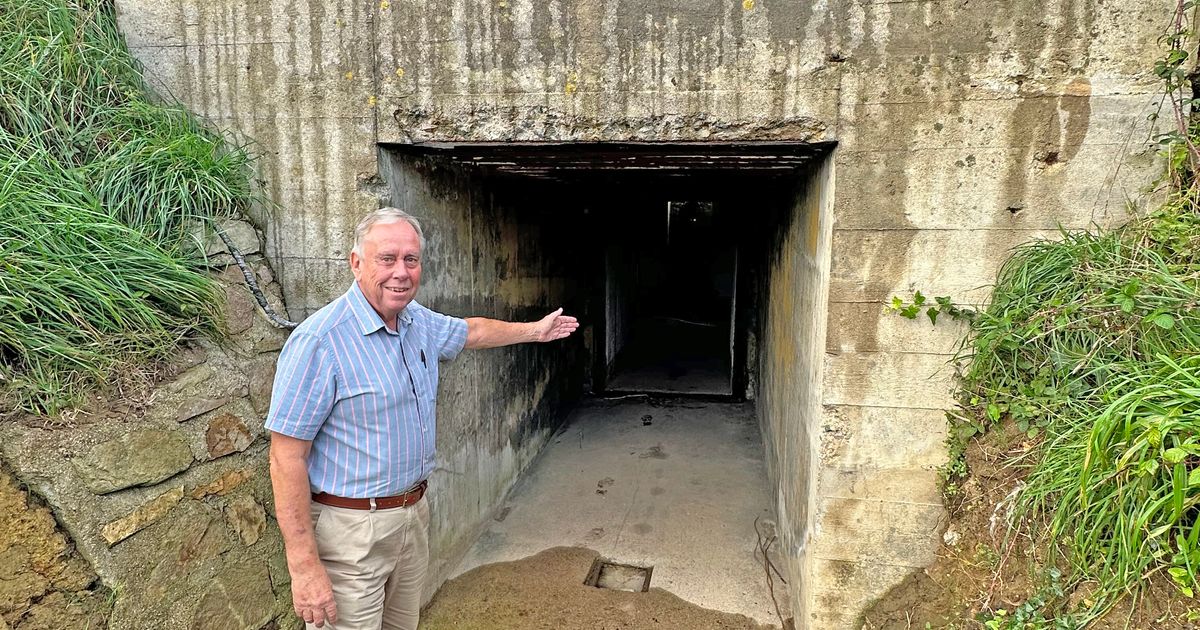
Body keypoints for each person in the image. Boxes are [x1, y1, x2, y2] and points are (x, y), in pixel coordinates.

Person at [265, 207, 578, 630]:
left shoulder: (416, 321)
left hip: (412, 517)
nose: (401, 272)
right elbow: (286, 458)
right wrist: (304, 567)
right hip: (350, 534)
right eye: (387, 258)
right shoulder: (320, 342)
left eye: (410, 259)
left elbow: (472, 331)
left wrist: (535, 331)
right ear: (356, 263)